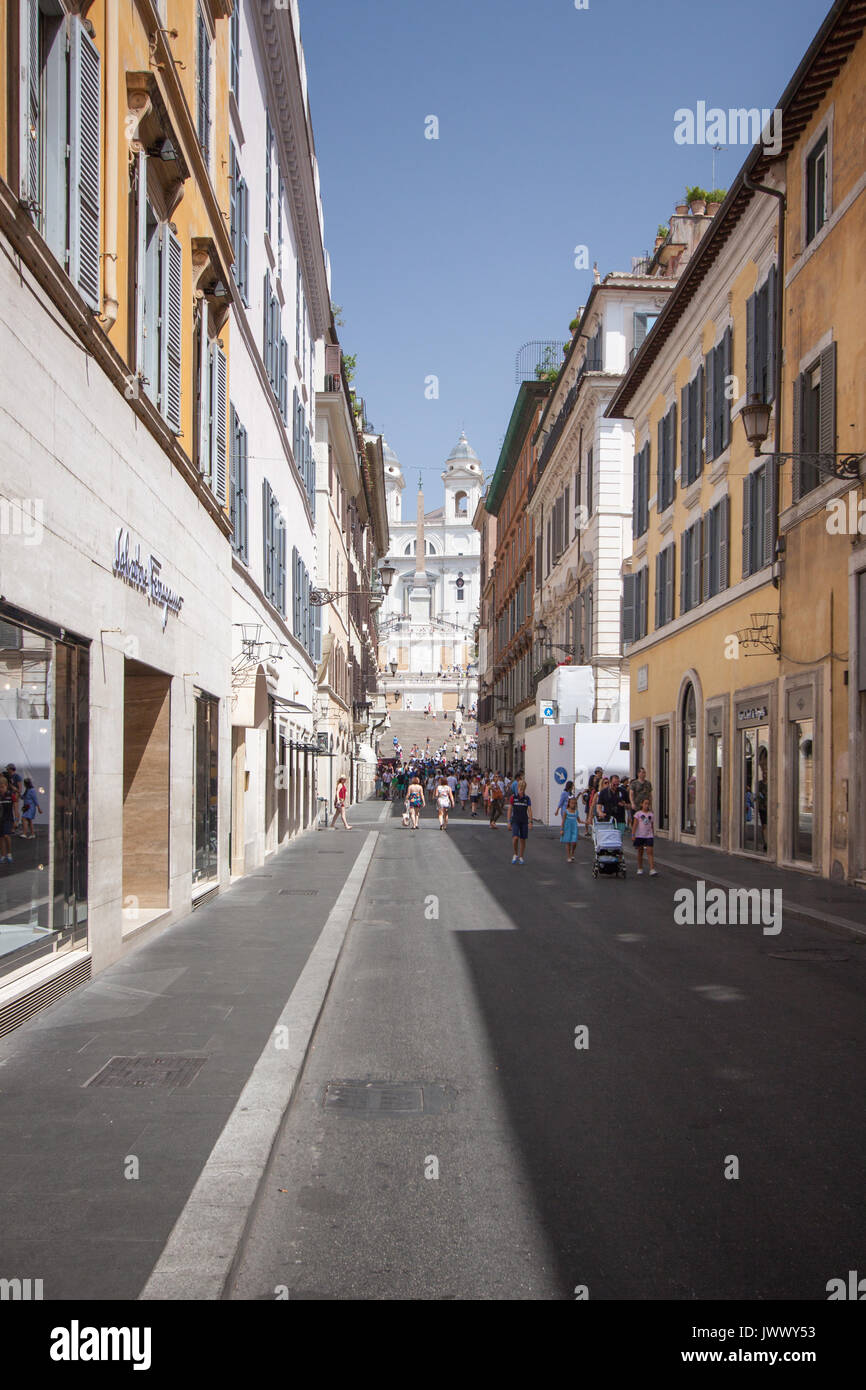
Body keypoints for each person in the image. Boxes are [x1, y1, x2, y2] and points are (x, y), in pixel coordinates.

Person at [632, 798, 658, 875]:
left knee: (650, 851)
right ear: (642, 804)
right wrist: (633, 834)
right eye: (645, 803)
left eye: (648, 804)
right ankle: (640, 868)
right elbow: (635, 825)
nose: (647, 805)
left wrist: (652, 834)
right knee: (640, 852)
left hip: (649, 835)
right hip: (640, 835)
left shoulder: (651, 814)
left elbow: (652, 825)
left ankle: (652, 869)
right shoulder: (638, 814)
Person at [509, 779, 532, 864]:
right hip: (515, 820)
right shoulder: (513, 797)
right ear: (517, 788)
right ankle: (515, 854)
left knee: (523, 839)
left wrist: (530, 821)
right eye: (520, 788)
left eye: (522, 788)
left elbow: (529, 810)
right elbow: (510, 809)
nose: (521, 790)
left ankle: (521, 856)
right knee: (515, 838)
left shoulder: (527, 798)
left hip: (524, 821)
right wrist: (508, 821)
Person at [560, 788, 579, 863]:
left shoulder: (576, 812)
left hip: (574, 828)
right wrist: (562, 829)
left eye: (574, 803)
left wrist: (586, 822)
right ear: (569, 803)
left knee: (574, 842)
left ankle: (572, 853)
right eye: (572, 803)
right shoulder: (566, 811)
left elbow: (579, 820)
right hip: (567, 828)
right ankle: (568, 856)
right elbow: (563, 821)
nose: (573, 805)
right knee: (568, 842)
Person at [0, 773, 14, 863]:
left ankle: (9, 853)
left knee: (6, 835)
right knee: (1, 837)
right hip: (0, 819)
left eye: (2, 787)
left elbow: (16, 806)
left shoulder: (10, 795)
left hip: (8, 818)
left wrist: (16, 819)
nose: (0, 789)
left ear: (6, 786)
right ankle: (3, 855)